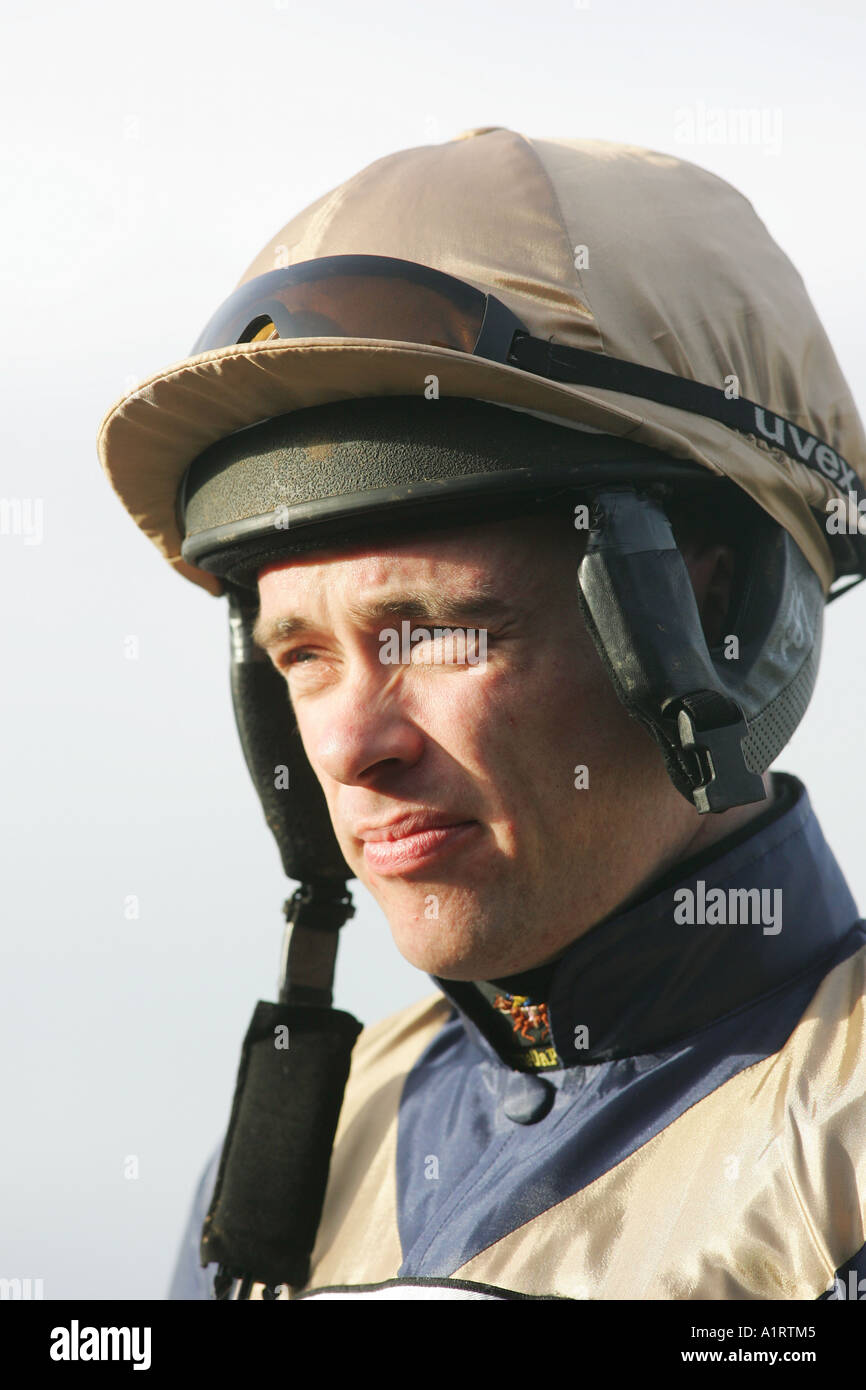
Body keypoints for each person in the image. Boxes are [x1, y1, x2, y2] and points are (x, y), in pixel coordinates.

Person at [97, 128, 866, 1301]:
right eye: (301, 656)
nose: (354, 746)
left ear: (714, 617)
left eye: (434, 633)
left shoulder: (838, 1144)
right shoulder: (306, 1153)